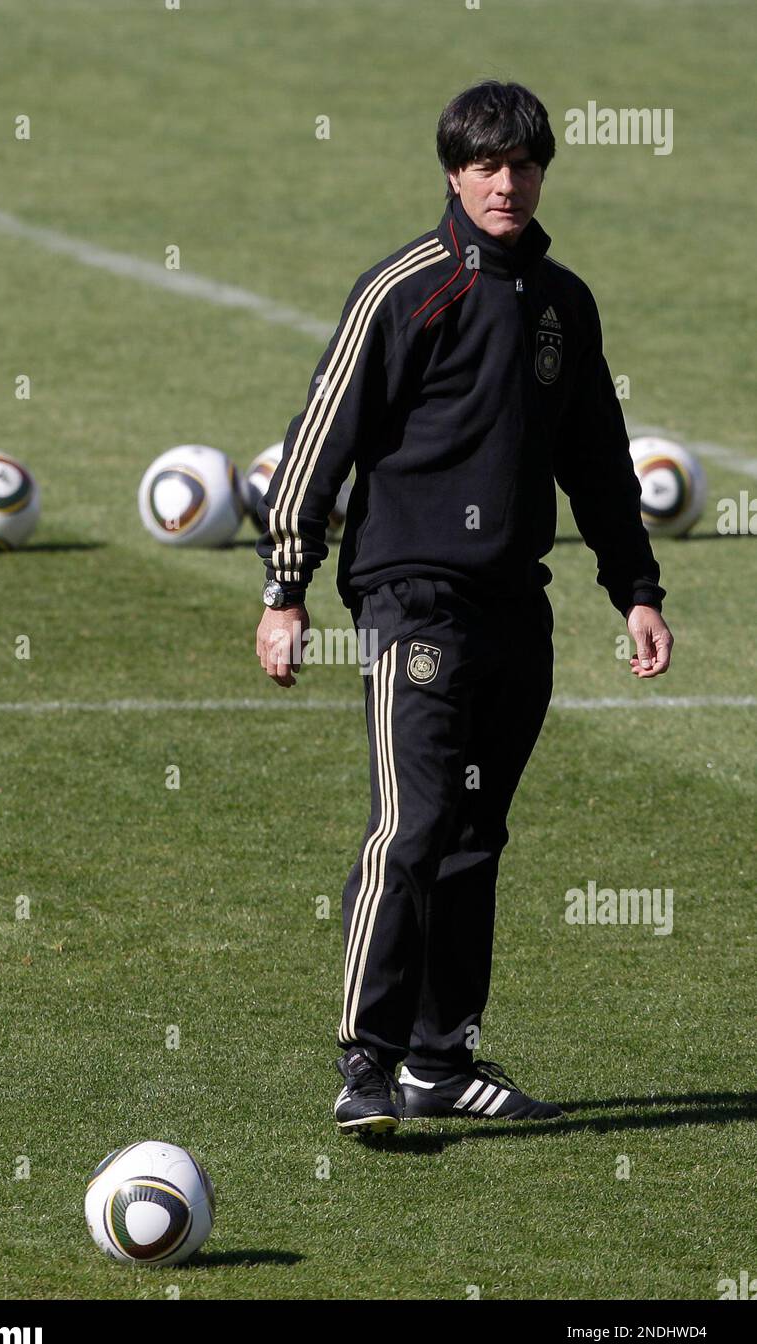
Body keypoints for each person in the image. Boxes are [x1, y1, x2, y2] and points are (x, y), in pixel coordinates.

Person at [255, 81, 673, 1136]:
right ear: (453, 171)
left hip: (510, 608)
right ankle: (366, 1060)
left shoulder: (561, 303)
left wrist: (633, 589)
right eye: (487, 165)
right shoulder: (404, 290)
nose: (507, 182)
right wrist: (285, 588)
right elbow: (319, 437)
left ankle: (440, 1062)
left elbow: (594, 462)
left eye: (524, 164)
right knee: (409, 826)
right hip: (411, 601)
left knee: (474, 836)